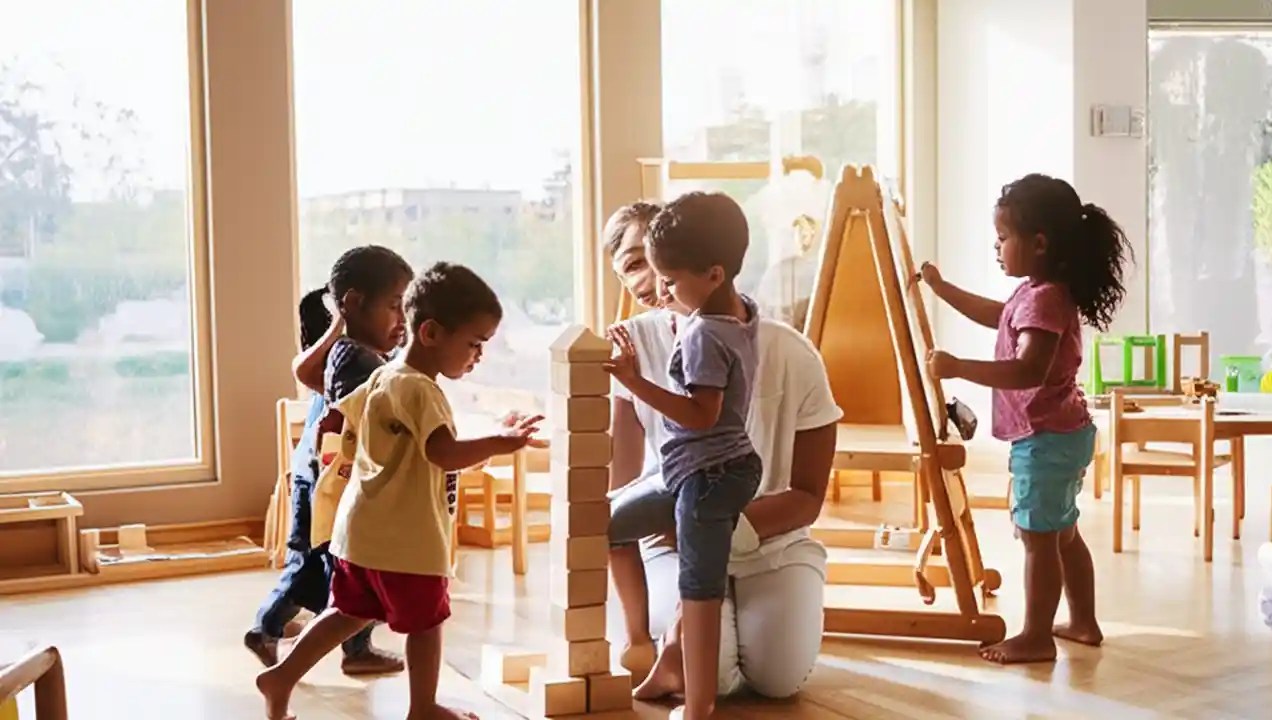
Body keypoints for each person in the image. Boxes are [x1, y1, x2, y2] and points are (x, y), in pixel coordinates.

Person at [257, 262, 543, 720]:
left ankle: (281, 677)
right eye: (474, 343)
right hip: (405, 542)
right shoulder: (420, 389)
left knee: (346, 613)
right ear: (430, 333)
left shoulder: (386, 375)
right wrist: (501, 443)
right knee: (427, 624)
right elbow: (443, 452)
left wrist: (490, 433)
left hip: (362, 533)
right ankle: (423, 707)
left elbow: (348, 420)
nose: (478, 356)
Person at [602, 201, 840, 703]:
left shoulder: (785, 349)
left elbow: (807, 493)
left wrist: (711, 527)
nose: (654, 281)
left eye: (659, 262)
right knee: (711, 675)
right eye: (633, 264)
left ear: (707, 268)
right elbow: (617, 486)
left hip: (770, 539)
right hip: (675, 531)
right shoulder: (630, 344)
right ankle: (686, 670)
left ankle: (694, 669)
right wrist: (637, 634)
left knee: (777, 679)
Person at [921, 173, 1132, 664]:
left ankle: (1036, 636)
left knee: (1040, 541)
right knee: (1063, 534)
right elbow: (996, 315)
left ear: (1038, 243)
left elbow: (1028, 369)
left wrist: (957, 369)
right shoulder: (1037, 292)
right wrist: (942, 288)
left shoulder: (1046, 298)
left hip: (1047, 439)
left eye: (1002, 238)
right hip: (1061, 433)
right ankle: (1082, 621)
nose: (996, 248)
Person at [605, 192, 762, 719]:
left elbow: (700, 414)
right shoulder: (741, 315)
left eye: (669, 279)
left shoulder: (701, 333)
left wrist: (633, 381)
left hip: (707, 476)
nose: (661, 287)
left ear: (713, 273)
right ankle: (658, 655)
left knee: (699, 591)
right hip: (698, 470)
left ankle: (697, 709)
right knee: (612, 524)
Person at [244, 251, 407, 675]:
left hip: (327, 477)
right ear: (354, 305)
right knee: (327, 566)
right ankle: (271, 627)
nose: (401, 316)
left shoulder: (361, 356)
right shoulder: (351, 358)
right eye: (394, 305)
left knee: (341, 566)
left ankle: (345, 645)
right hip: (326, 480)